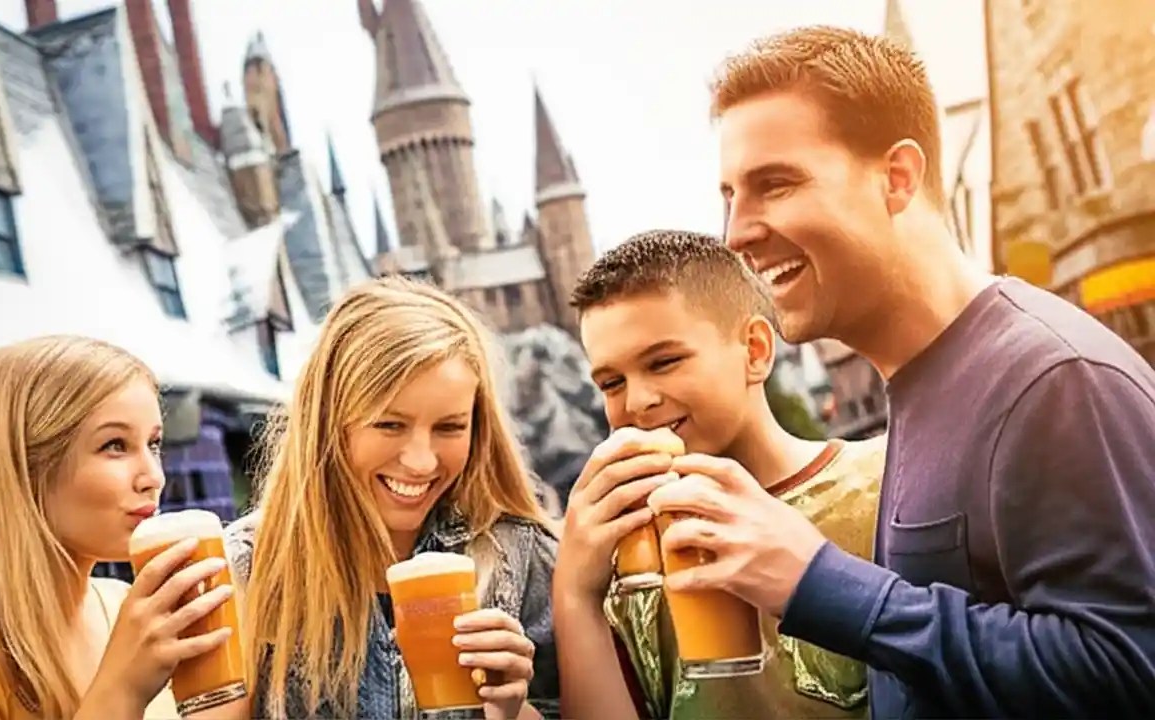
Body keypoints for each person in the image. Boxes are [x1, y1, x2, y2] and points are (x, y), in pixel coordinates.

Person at [647, 25, 1155, 720]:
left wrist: (819, 584)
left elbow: (1129, 671)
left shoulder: (1055, 379)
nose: (736, 232)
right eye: (731, 195)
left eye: (775, 184)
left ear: (897, 178)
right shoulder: (924, 380)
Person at [553, 230, 885, 719]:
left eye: (664, 362)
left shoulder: (885, 482)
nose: (637, 401)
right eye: (611, 382)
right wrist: (575, 595)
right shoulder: (628, 563)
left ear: (755, 350)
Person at [222, 276, 561, 719]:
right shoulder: (247, 568)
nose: (421, 462)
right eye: (389, 425)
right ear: (328, 422)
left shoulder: (522, 557)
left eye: (450, 427)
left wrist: (512, 711)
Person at [0, 335, 235, 719]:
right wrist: (123, 689)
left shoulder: (123, 605)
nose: (154, 477)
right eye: (115, 445)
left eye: (154, 443)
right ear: (21, 466)